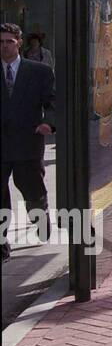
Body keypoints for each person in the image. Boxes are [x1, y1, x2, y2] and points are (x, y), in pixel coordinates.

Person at [1, 23, 54, 262]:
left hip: (27, 142)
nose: (4, 46)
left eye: (9, 41)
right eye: (1, 42)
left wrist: (48, 124)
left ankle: (40, 218)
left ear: (19, 42)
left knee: (32, 191)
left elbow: (53, 102)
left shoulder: (39, 72)